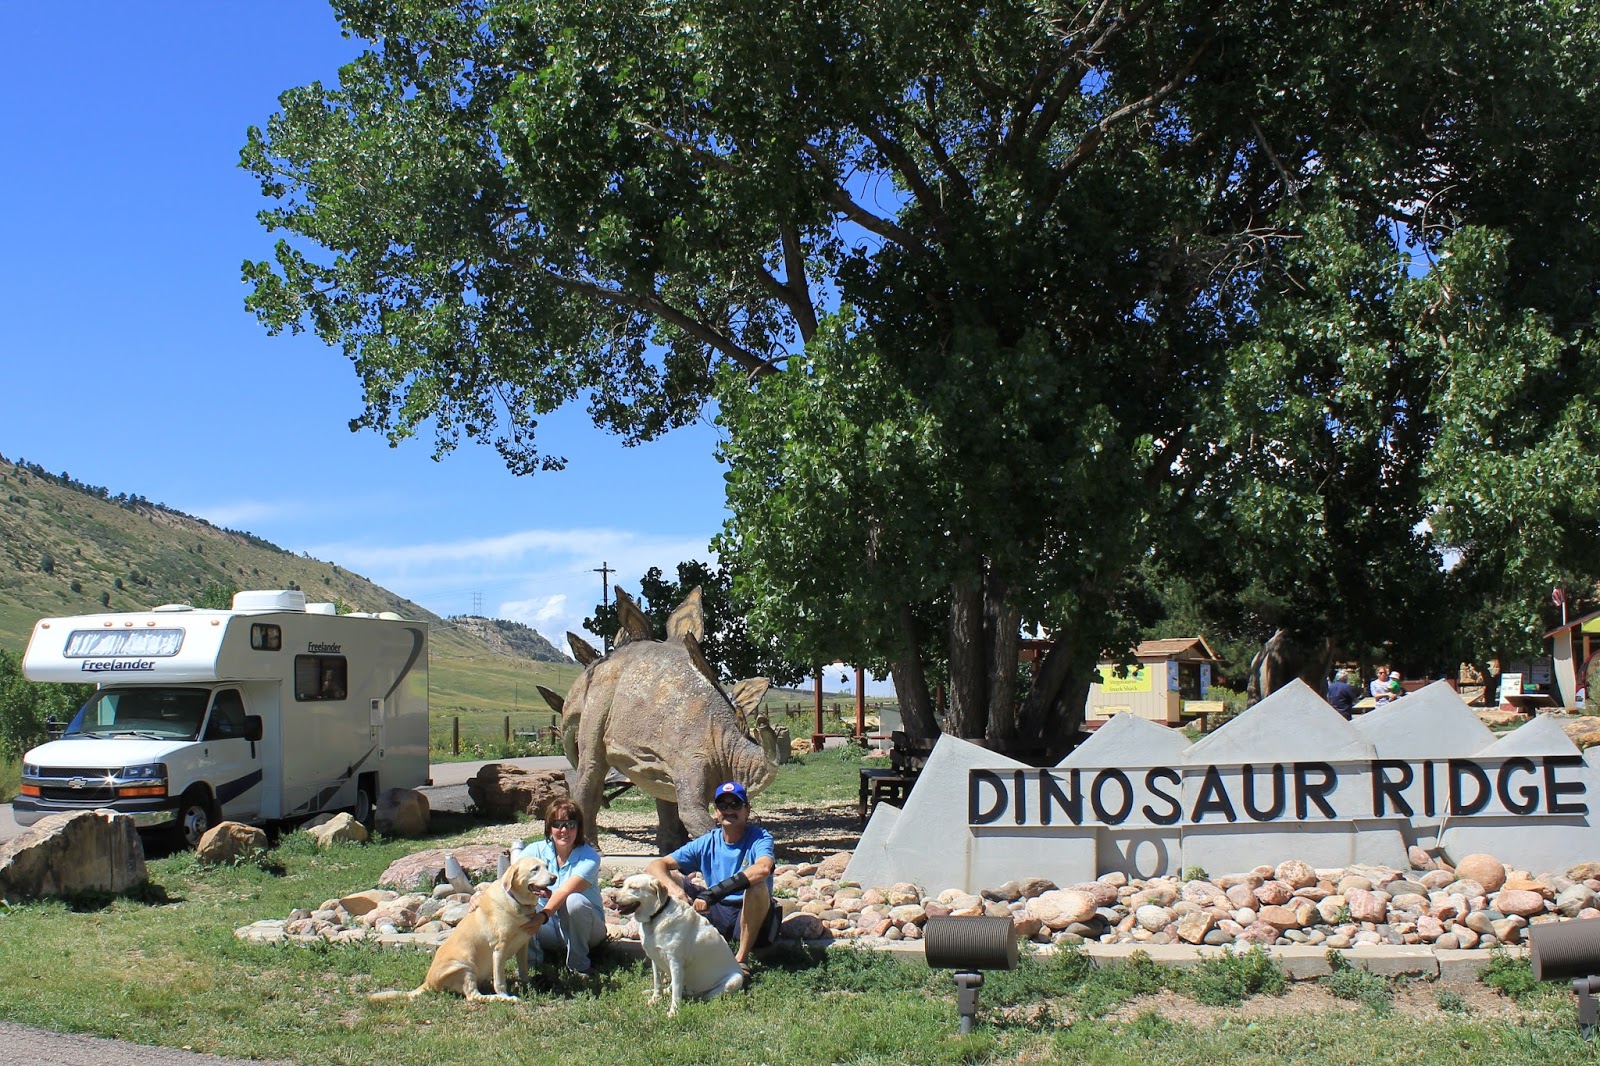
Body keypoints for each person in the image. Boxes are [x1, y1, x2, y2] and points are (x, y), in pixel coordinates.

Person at [645, 781, 779, 976]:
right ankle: (674, 950)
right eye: (723, 806)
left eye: (735, 805)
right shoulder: (708, 841)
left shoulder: (760, 838)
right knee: (670, 877)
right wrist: (677, 891)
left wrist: (713, 892)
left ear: (747, 810)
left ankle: (740, 960)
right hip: (716, 910)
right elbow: (655, 866)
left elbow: (764, 868)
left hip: (748, 911)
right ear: (715, 811)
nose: (729, 810)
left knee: (757, 887)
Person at [523, 798, 607, 976]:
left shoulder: (590, 857)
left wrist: (542, 916)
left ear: (579, 827)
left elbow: (565, 891)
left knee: (573, 900)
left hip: (586, 930)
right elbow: (513, 879)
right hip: (550, 927)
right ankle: (532, 966)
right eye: (558, 824)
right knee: (519, 907)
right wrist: (481, 896)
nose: (564, 830)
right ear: (549, 827)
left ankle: (579, 965)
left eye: (570, 824)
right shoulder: (534, 851)